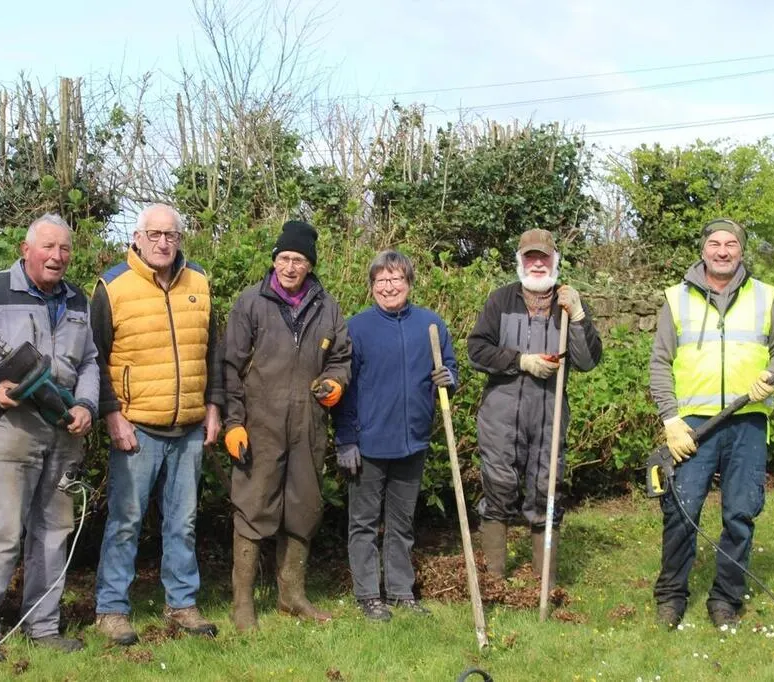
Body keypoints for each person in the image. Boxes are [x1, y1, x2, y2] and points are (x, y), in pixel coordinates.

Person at [0, 213, 99, 661]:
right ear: (26, 250)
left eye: (64, 248)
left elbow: (89, 362)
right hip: (10, 430)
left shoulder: (78, 300)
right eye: (48, 247)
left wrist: (85, 405)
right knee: (2, 533)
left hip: (64, 431)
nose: (57, 256)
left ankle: (43, 627)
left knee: (53, 533)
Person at [649, 218, 774, 630]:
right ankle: (671, 596)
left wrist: (773, 376)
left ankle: (726, 599)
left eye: (731, 244)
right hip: (694, 425)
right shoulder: (675, 299)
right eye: (714, 243)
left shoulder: (765, 297)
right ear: (703, 251)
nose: (723, 251)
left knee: (740, 514)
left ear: (741, 251)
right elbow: (660, 363)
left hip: (747, 421)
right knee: (682, 509)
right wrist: (670, 418)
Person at [91, 204, 223, 644]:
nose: (163, 242)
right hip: (136, 427)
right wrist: (112, 415)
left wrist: (213, 406)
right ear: (136, 237)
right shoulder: (112, 287)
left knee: (182, 522)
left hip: (188, 425)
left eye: (171, 235)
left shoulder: (199, 283)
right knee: (126, 521)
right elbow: (95, 359)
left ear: (180, 239)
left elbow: (212, 352)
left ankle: (182, 604)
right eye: (154, 234)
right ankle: (111, 609)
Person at [222, 219, 351, 632]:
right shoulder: (250, 303)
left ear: (310, 265)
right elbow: (229, 367)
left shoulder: (327, 306)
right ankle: (242, 604)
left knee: (303, 506)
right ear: (274, 261)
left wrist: (335, 382)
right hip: (259, 424)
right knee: (253, 504)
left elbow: (341, 358)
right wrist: (233, 422)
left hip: (308, 424)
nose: (290, 267)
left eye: (298, 260)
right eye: (284, 259)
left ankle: (291, 595)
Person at [467, 228, 602, 591]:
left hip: (549, 412)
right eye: (530, 257)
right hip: (501, 413)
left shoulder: (567, 303)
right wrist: (521, 361)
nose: (537, 263)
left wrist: (577, 316)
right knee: (498, 487)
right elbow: (477, 350)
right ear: (520, 261)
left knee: (546, 490)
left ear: (555, 260)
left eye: (544, 257)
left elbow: (588, 361)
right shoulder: (501, 301)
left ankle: (544, 581)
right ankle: (494, 577)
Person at [333, 250, 458, 622]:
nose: (389, 287)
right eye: (381, 281)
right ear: (372, 287)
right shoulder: (357, 328)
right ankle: (369, 595)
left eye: (396, 279)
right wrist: (345, 440)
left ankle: (402, 591)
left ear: (409, 283)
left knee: (402, 522)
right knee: (364, 523)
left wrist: (449, 378)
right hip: (368, 444)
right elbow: (344, 389)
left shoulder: (431, 325)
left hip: (413, 442)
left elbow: (448, 367)